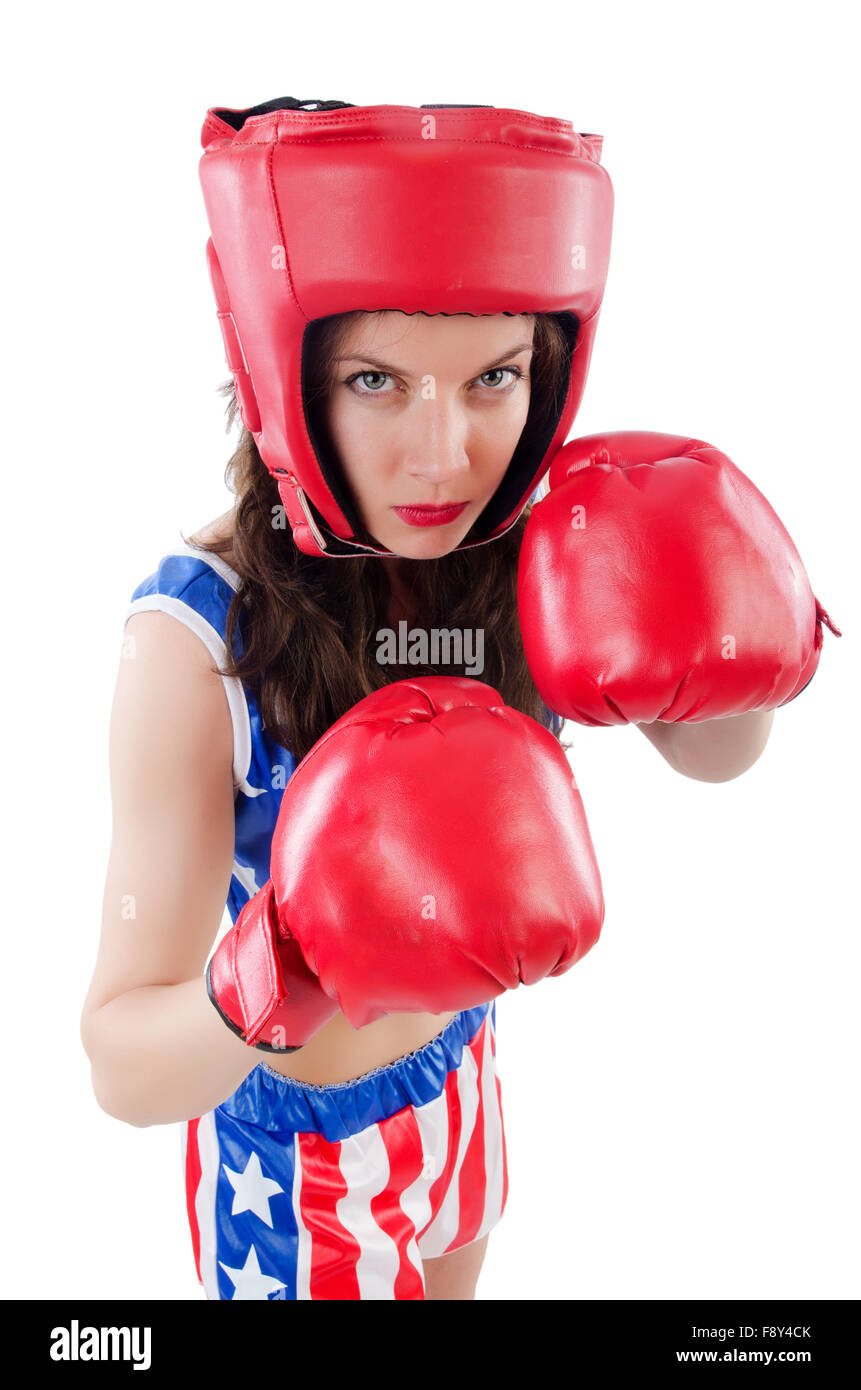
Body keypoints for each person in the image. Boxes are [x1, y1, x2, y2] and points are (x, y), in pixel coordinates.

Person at [79, 97, 837, 1302]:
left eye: (492, 376)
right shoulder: (197, 641)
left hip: (464, 1075)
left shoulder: (536, 551)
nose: (445, 454)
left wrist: (724, 618)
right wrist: (275, 962)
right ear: (288, 373)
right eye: (377, 378)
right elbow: (119, 1062)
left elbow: (713, 754)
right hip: (304, 1170)